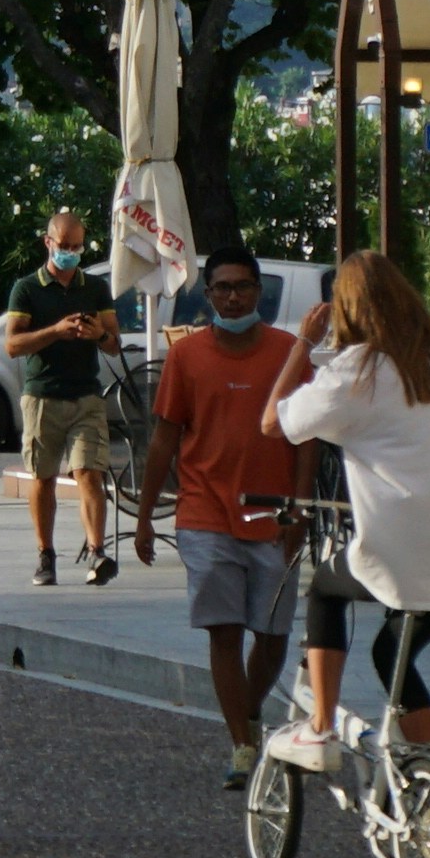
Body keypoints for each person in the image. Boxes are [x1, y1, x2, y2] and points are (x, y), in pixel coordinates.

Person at [266, 251, 430, 766]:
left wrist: (302, 342)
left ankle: (319, 728)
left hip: (399, 553)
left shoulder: (357, 371)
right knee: (392, 654)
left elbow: (272, 422)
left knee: (325, 590)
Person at [129, 244, 306, 783]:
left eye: (243, 287)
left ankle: (247, 711)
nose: (233, 297)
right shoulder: (187, 357)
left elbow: (308, 435)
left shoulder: (288, 352)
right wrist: (144, 513)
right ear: (207, 298)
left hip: (274, 515)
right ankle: (242, 745)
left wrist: (299, 508)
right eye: (222, 289)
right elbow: (165, 437)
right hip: (204, 513)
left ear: (260, 292)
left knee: (273, 636)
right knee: (223, 633)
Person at [0, 207, 120, 586]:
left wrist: (96, 333)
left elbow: (114, 345)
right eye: (64, 245)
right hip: (43, 396)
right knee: (42, 477)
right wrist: (56, 331)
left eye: (77, 246)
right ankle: (45, 554)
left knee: (90, 474)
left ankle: (97, 553)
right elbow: (13, 345)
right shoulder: (27, 288)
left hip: (86, 396)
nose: (70, 252)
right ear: (48, 243)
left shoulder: (95, 288)